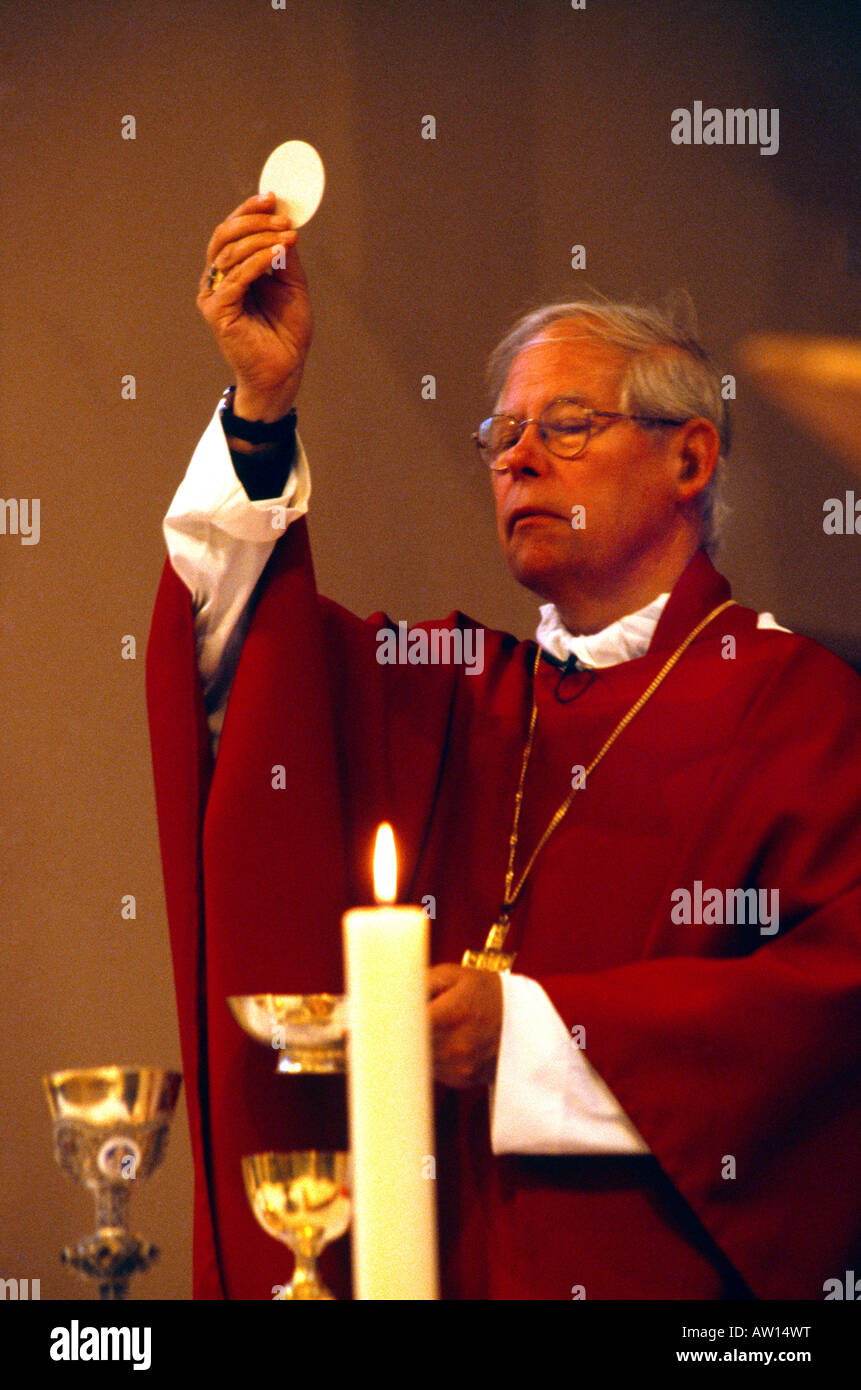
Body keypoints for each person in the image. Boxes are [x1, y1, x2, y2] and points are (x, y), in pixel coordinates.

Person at [147, 192, 861, 1301]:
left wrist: (532, 1033)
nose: (520, 459)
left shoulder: (800, 708)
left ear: (691, 459)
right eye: (502, 435)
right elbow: (252, 672)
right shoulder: (458, 695)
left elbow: (831, 1013)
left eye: (565, 427)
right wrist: (262, 405)